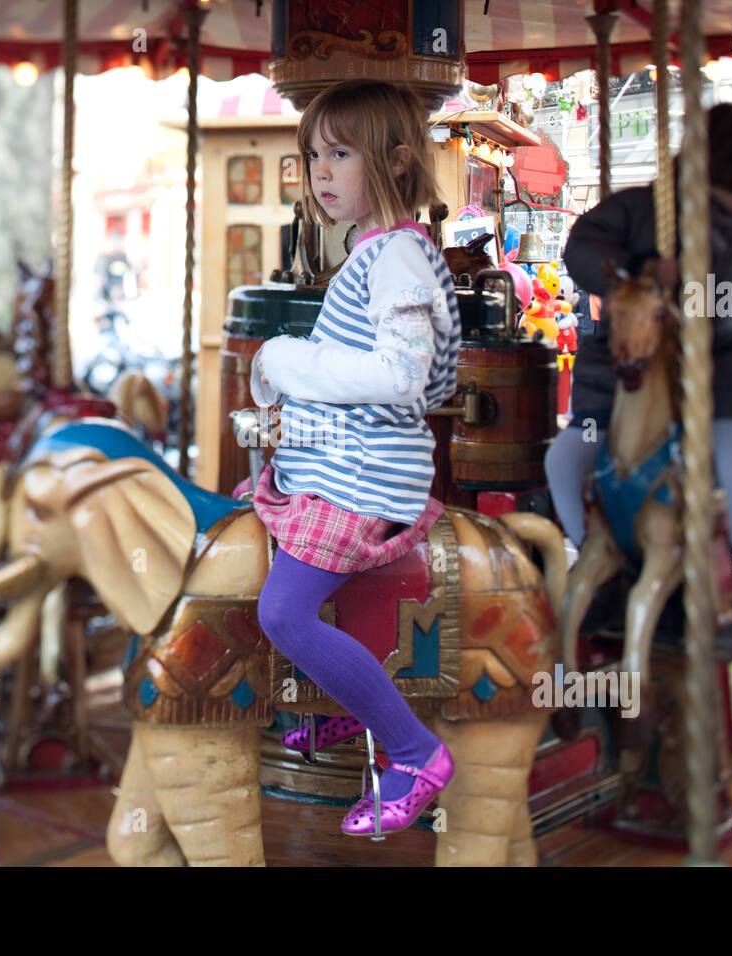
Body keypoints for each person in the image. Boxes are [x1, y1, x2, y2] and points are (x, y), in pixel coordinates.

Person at [244, 79, 461, 836]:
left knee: (283, 611)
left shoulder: (398, 255)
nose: (321, 172)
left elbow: (401, 378)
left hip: (363, 473)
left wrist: (285, 360)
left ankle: (414, 749)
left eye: (340, 153)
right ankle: (352, 708)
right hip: (341, 461)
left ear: (397, 161)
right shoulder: (380, 252)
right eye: (313, 155)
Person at [550, 103, 732, 632]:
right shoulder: (644, 210)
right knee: (566, 462)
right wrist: (638, 273)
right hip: (623, 387)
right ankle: (605, 567)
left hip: (719, 392)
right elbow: (584, 246)